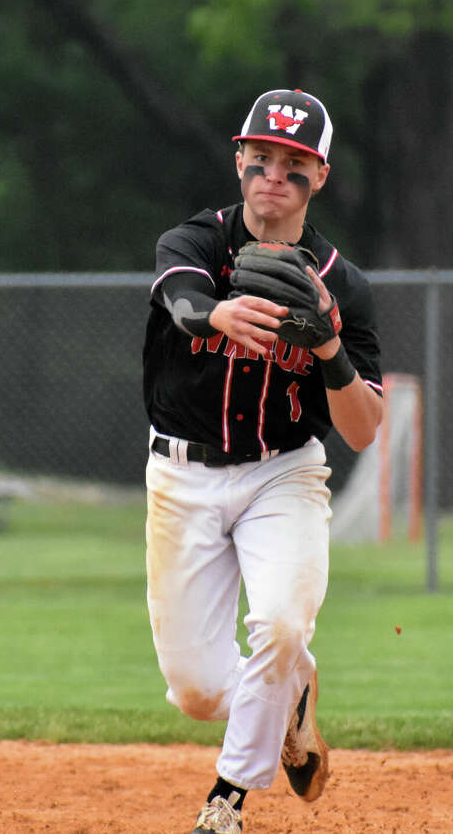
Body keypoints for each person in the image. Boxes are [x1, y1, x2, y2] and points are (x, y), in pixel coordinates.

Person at [141, 88, 385, 834]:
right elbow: (180, 300)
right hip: (182, 477)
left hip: (283, 473)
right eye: (263, 158)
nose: (274, 175)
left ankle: (228, 799)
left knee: (279, 624)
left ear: (320, 176)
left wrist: (330, 348)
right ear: (240, 160)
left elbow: (366, 426)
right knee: (197, 693)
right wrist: (217, 312)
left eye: (294, 164)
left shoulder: (341, 286)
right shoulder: (194, 244)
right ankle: (295, 692)